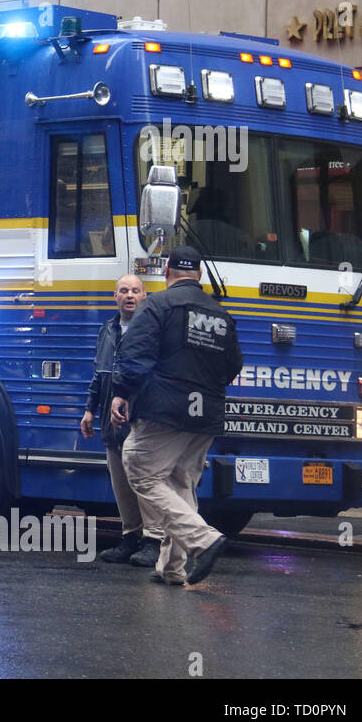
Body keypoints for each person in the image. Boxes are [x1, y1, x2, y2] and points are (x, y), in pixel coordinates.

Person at [112, 246, 243, 585]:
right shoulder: (220, 314)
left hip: (165, 411)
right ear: (199, 275)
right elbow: (233, 366)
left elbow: (135, 355)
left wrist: (123, 392)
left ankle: (204, 539)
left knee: (139, 469)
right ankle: (172, 568)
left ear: (166, 272)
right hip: (207, 413)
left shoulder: (157, 305)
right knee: (180, 482)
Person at [80, 274, 163, 566]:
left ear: (145, 296)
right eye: (124, 291)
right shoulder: (107, 330)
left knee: (144, 479)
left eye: (135, 291)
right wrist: (90, 410)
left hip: (141, 420)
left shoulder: (152, 330)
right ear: (114, 296)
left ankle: (154, 540)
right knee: (120, 482)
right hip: (109, 421)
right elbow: (98, 374)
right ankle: (131, 536)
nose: (130, 295)